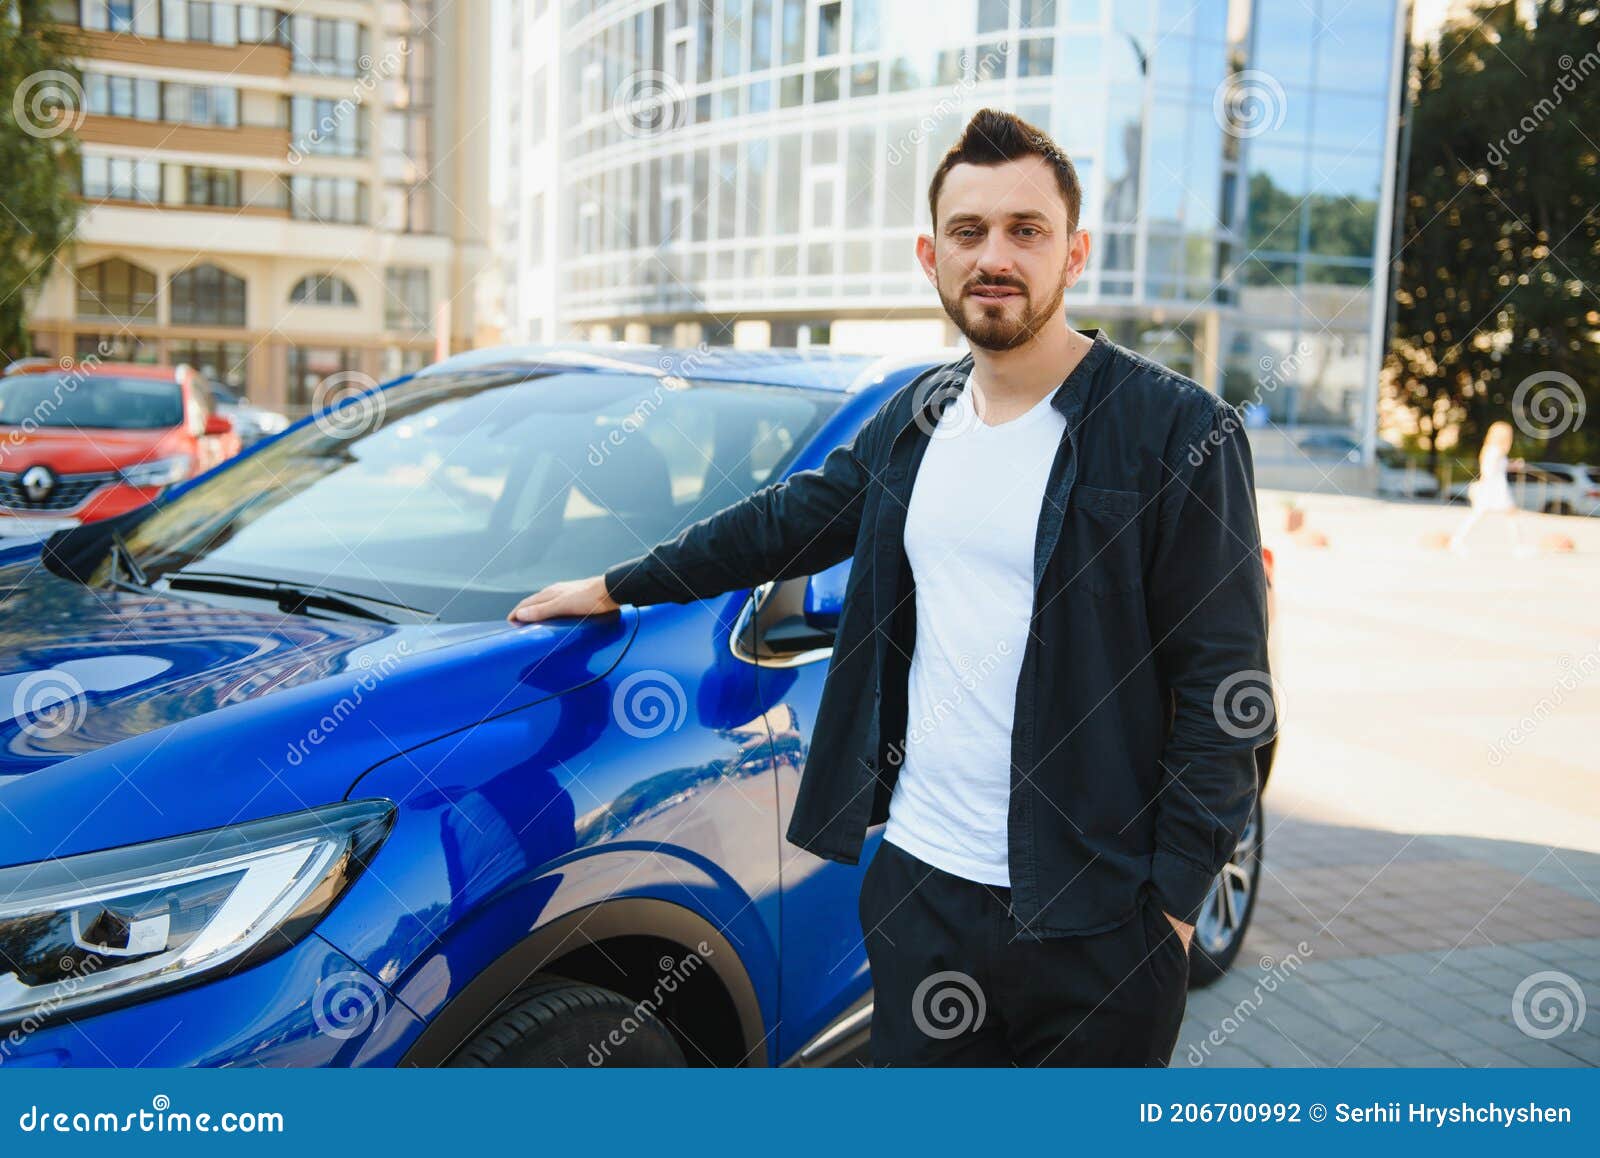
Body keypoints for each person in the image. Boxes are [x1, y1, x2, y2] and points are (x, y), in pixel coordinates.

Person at [507, 109, 1273, 1067]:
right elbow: (782, 522)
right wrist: (619, 583)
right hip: (923, 894)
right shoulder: (920, 420)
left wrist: (1170, 906)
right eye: (970, 232)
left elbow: (1228, 692)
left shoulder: (1175, 431)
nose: (995, 256)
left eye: (1024, 231)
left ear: (1074, 254)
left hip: (1100, 921)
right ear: (931, 255)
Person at [1448, 420, 1534, 557]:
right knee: (1482, 515)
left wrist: (1513, 466)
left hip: (1494, 487)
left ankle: (1456, 541)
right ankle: (1518, 548)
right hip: (1494, 488)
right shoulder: (1495, 450)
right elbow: (1488, 470)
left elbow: (1499, 467)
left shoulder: (1493, 450)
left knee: (1480, 515)